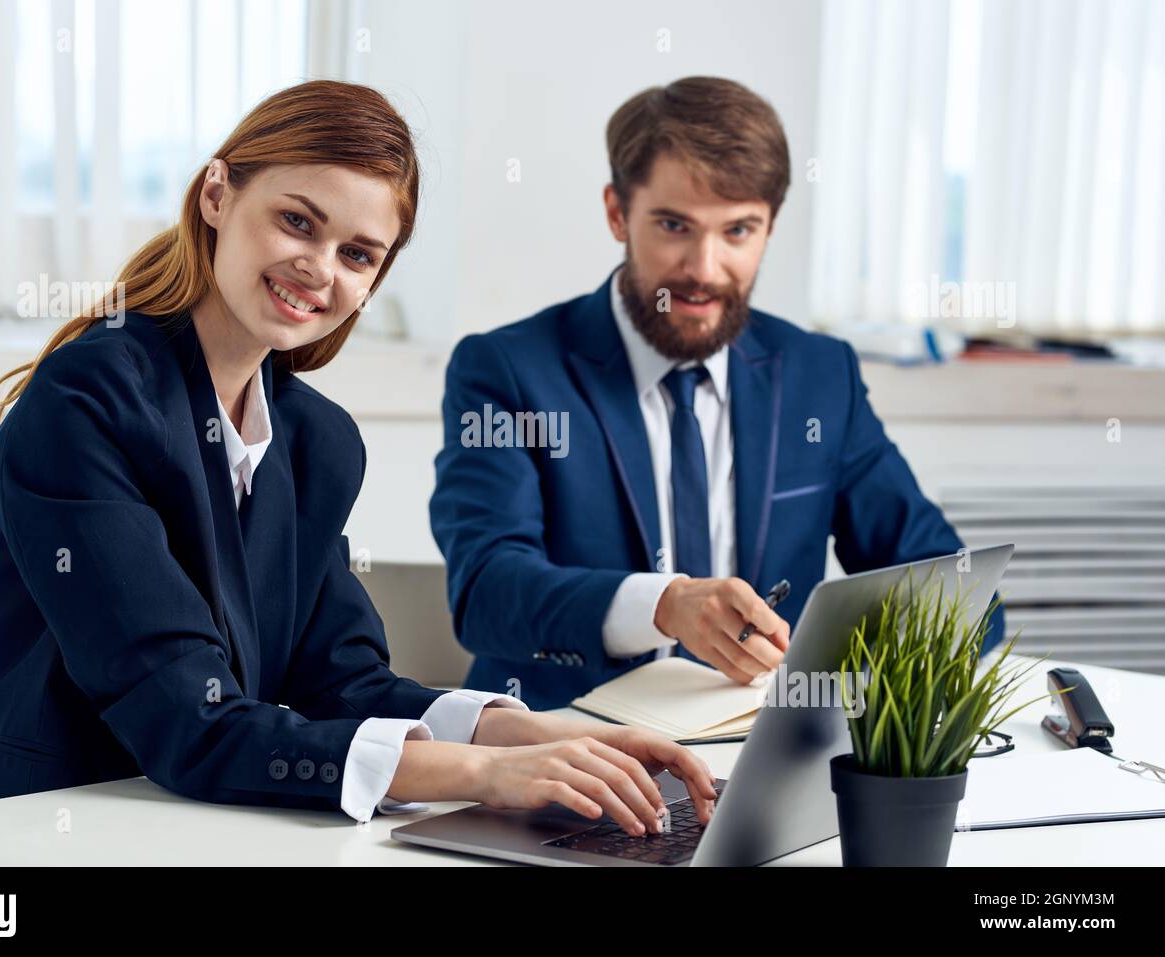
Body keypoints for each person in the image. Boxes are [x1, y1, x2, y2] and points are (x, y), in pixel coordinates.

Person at [0, 81, 716, 838]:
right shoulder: (89, 400)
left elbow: (344, 680)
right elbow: (191, 719)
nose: (320, 268)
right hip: (16, 836)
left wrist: (537, 731)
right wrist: (484, 773)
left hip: (189, 826)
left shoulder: (313, 439)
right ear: (217, 194)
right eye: (298, 221)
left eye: (358, 254)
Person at [430, 76, 1004, 711]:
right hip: (565, 755)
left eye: (738, 231)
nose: (704, 269)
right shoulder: (508, 371)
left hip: (759, 755)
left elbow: (951, 589)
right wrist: (665, 606)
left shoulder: (819, 375)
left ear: (769, 227)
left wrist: (824, 684)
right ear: (618, 212)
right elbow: (486, 593)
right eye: (675, 225)